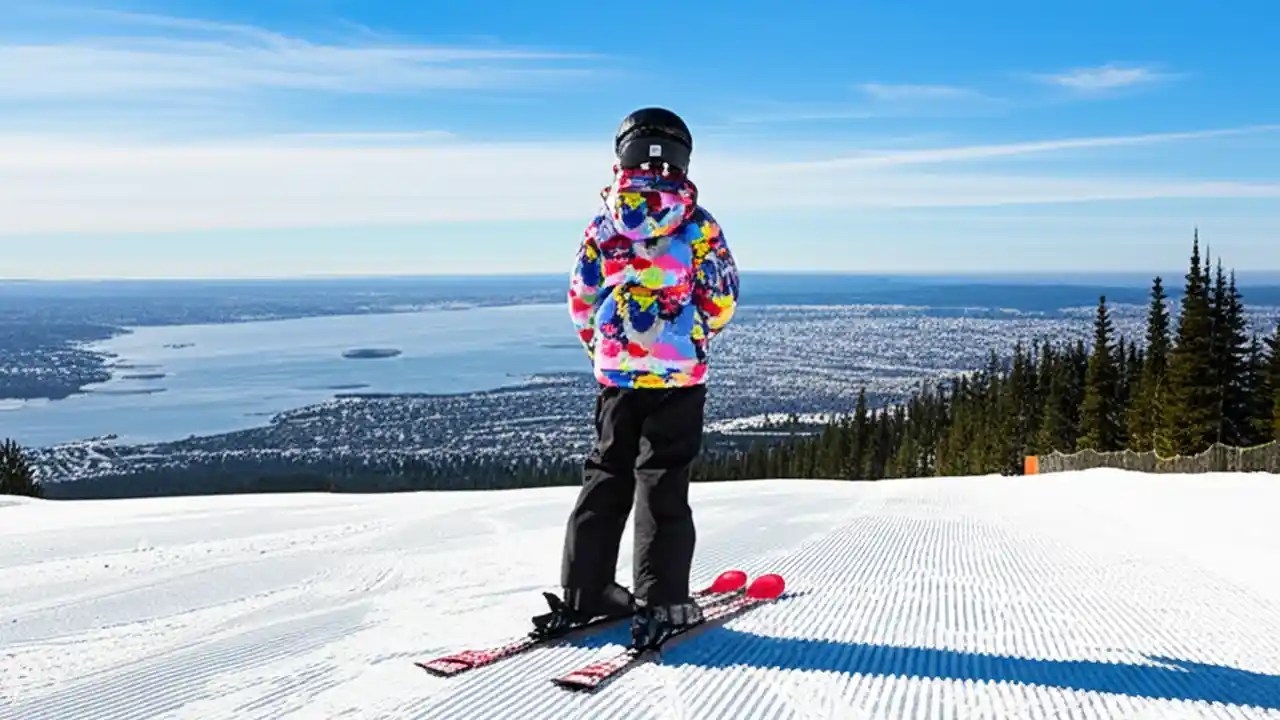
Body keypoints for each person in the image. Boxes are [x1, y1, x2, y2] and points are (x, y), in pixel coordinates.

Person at [530, 107, 739, 650]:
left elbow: (581, 298)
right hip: (678, 374)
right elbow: (721, 297)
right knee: (663, 480)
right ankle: (663, 598)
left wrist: (604, 347)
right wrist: (690, 335)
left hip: (617, 373)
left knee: (606, 472)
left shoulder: (603, 224)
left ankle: (586, 590)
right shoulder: (698, 225)